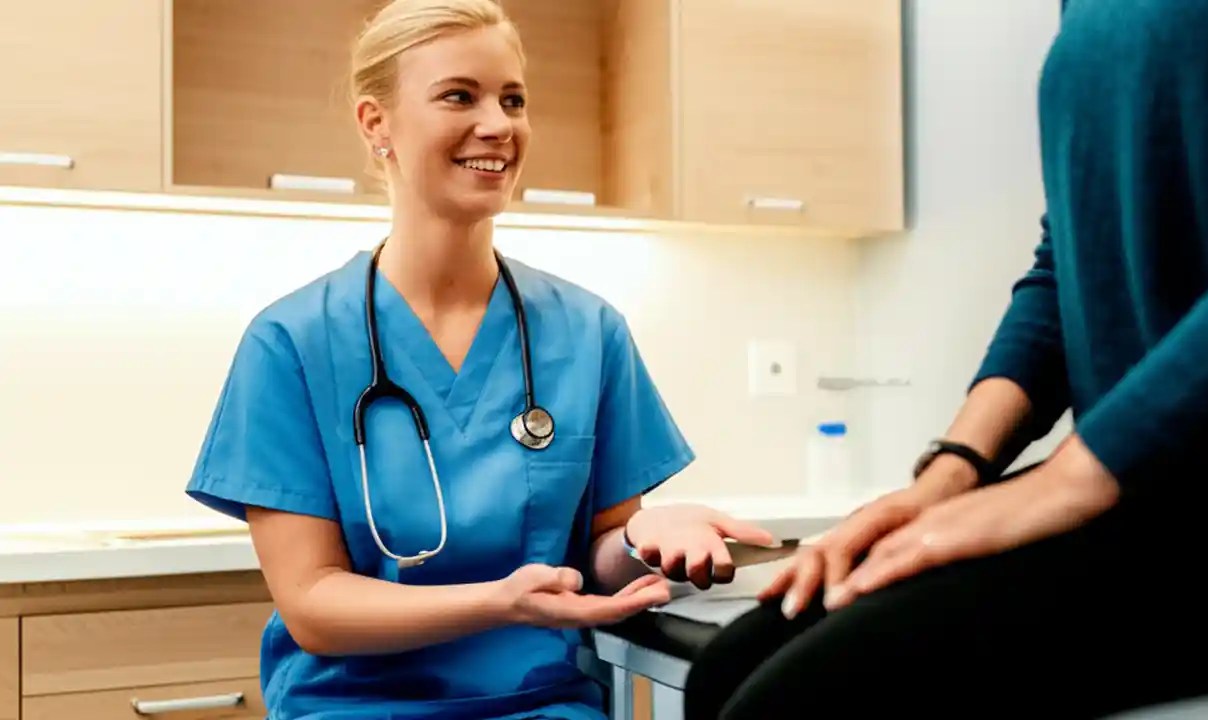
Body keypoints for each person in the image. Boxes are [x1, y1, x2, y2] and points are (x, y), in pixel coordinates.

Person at [684, 0, 1208, 717]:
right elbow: (1069, 256)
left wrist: (1070, 480)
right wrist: (951, 475)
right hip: (1147, 497)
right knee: (725, 669)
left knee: (799, 704)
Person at [184, 1, 776, 717]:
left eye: (513, 99)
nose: (498, 124)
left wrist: (648, 539)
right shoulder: (292, 343)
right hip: (352, 708)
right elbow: (312, 602)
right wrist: (501, 605)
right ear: (378, 124)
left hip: (543, 705)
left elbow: (596, 556)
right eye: (459, 96)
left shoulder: (588, 331)